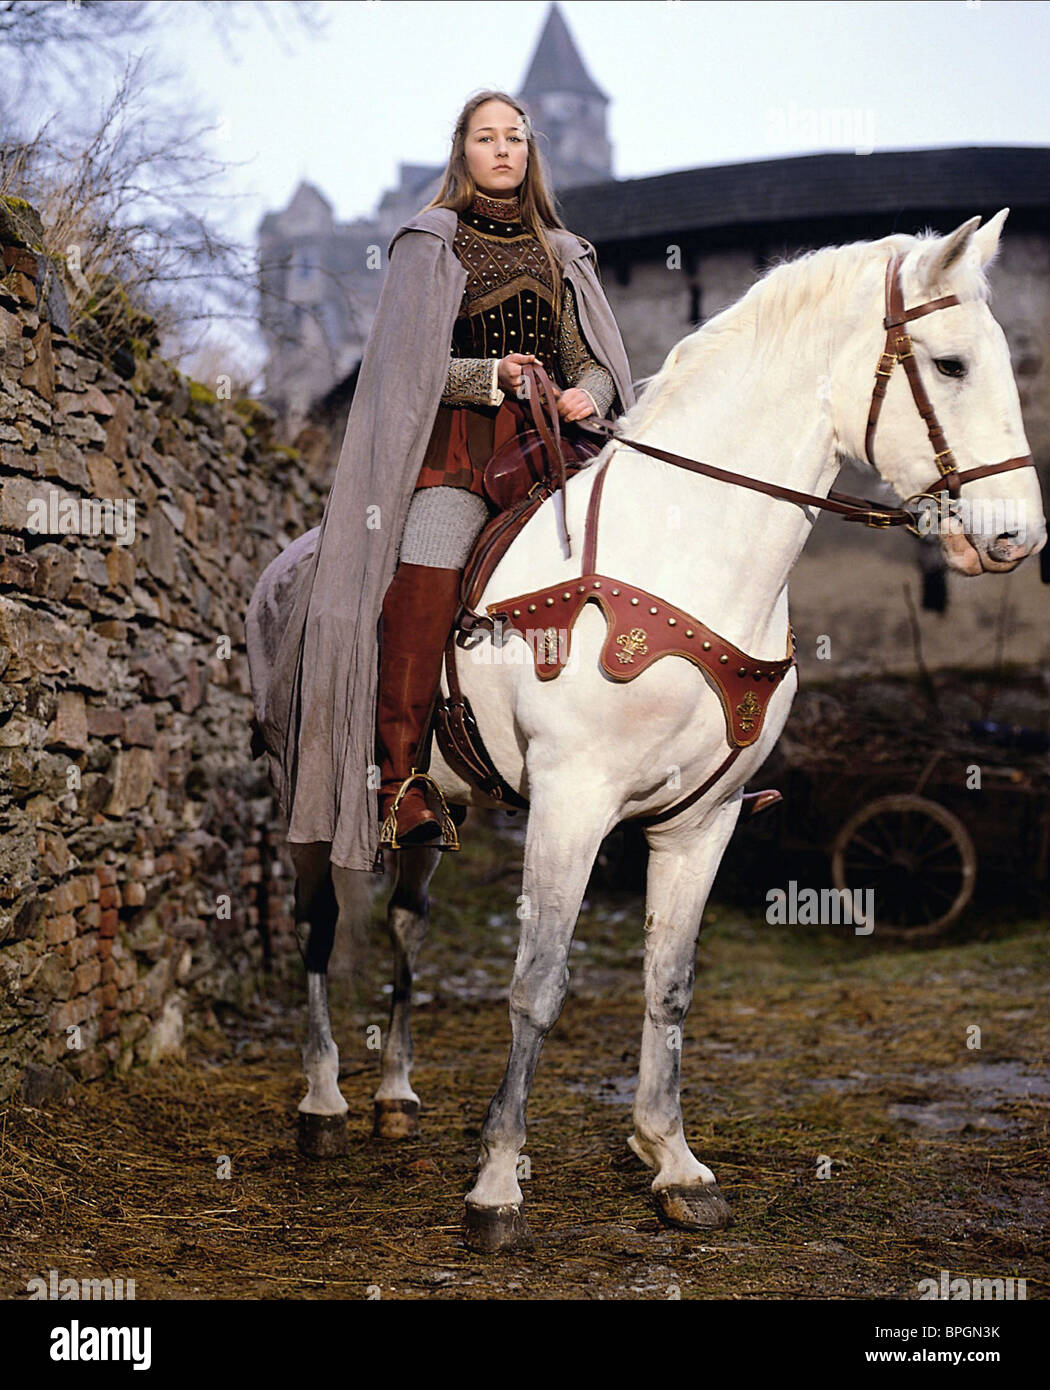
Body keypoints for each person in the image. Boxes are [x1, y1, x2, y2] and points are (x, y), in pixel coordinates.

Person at [259, 90, 634, 871]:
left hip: (556, 452)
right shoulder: (431, 243)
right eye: (485, 137)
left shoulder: (561, 253)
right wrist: (489, 374)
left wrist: (586, 394)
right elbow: (404, 366)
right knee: (428, 565)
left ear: (531, 152)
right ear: (461, 150)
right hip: (460, 453)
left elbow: (595, 360)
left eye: (515, 139)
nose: (502, 151)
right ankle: (402, 782)